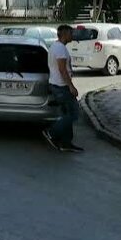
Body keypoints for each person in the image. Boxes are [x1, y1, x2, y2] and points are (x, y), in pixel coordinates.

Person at [44, 24, 83, 152]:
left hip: (57, 85)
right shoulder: (60, 49)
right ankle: (51, 132)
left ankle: (66, 142)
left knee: (67, 113)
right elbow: (62, 69)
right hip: (61, 87)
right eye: (71, 33)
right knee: (74, 113)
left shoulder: (55, 47)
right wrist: (71, 86)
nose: (72, 36)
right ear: (65, 34)